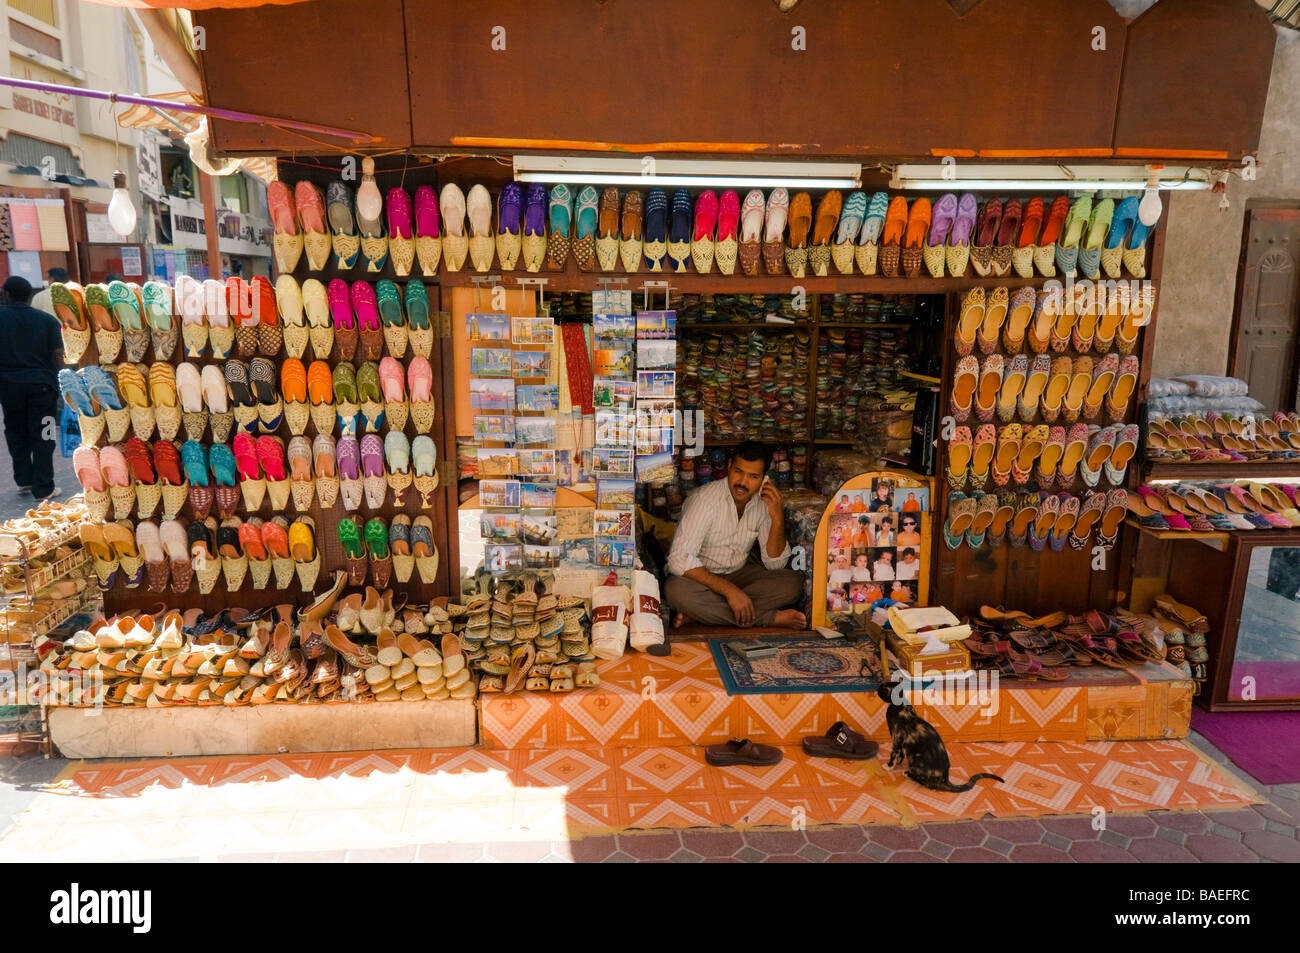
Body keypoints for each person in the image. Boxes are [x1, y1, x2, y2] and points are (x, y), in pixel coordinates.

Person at [665, 441, 806, 629]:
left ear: (764, 478)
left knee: (792, 583)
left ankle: (703, 614)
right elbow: (678, 559)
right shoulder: (704, 500)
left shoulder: (764, 503)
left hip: (739, 575)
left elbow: (775, 564)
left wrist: (777, 515)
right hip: (700, 579)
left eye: (753, 476)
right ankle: (768, 618)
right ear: (729, 465)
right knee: (676, 591)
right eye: (739, 471)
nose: (743, 482)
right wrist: (730, 592)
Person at [0, 276, 63, 499]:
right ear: (29, 295)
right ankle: (44, 487)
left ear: (7, 294)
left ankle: (24, 480)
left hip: (8, 388)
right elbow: (57, 356)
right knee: (44, 434)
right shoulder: (47, 321)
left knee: (16, 432)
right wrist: (58, 381)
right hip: (42, 387)